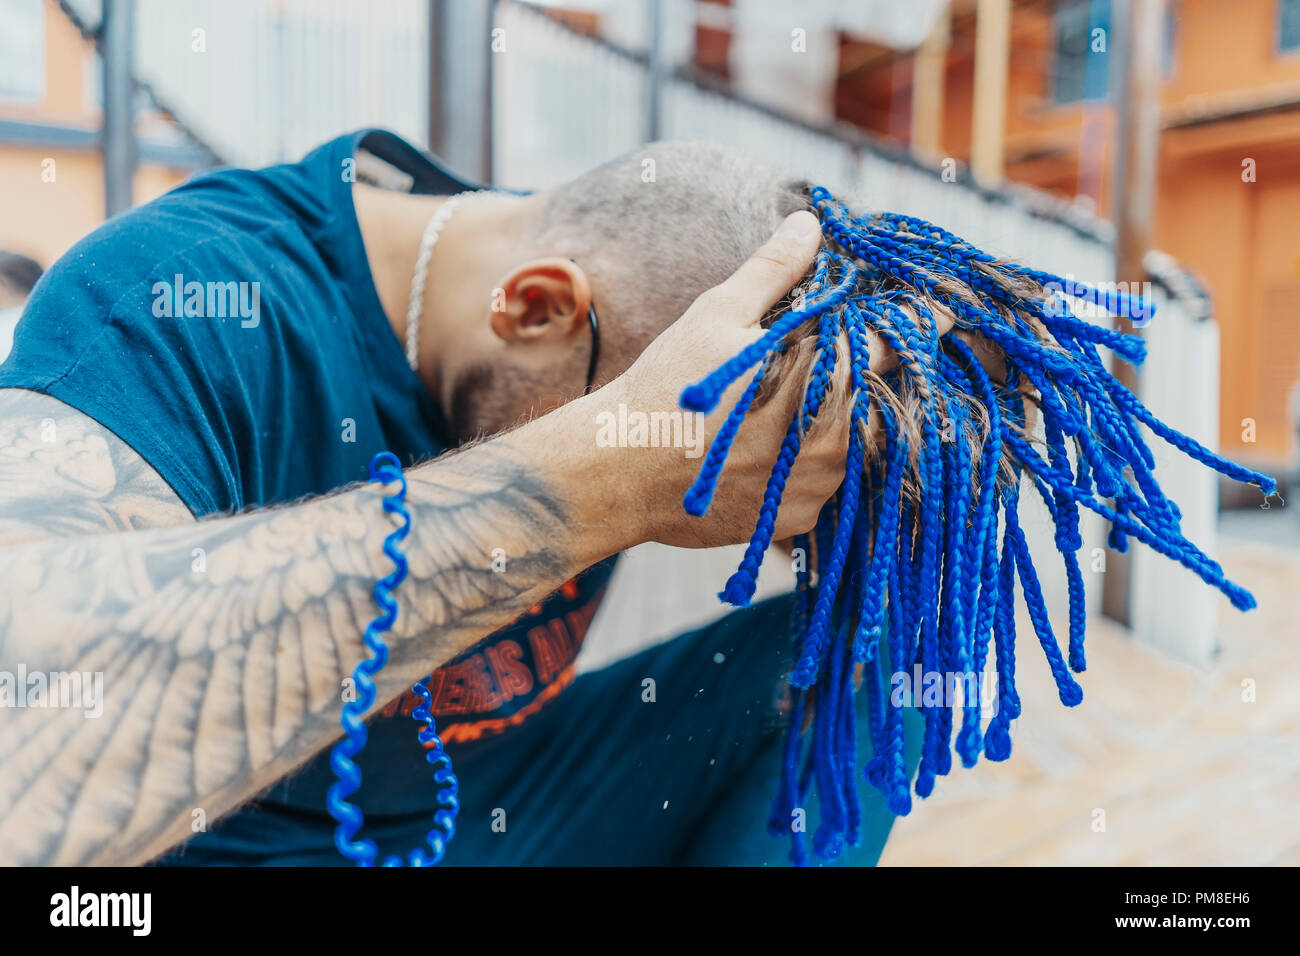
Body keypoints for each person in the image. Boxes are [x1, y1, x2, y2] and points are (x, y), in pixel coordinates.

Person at [0, 130, 922, 866]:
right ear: (535, 309)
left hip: (506, 802)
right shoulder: (175, 293)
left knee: (881, 644)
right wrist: (609, 469)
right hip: (230, 841)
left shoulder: (604, 266)